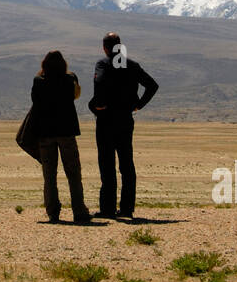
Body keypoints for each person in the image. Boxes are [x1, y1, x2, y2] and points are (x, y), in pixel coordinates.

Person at [88, 32, 158, 219]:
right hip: (125, 120)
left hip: (106, 120)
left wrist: (99, 102)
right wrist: (138, 105)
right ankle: (127, 208)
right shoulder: (132, 65)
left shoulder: (103, 64)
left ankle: (108, 209)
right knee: (126, 164)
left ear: (104, 47)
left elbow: (100, 81)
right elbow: (152, 85)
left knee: (107, 163)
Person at [30, 50, 91, 224]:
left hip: (45, 133)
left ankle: (53, 213)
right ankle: (79, 212)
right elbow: (76, 95)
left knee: (49, 175)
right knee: (73, 174)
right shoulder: (70, 78)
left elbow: (35, 101)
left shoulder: (38, 81)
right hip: (66, 132)